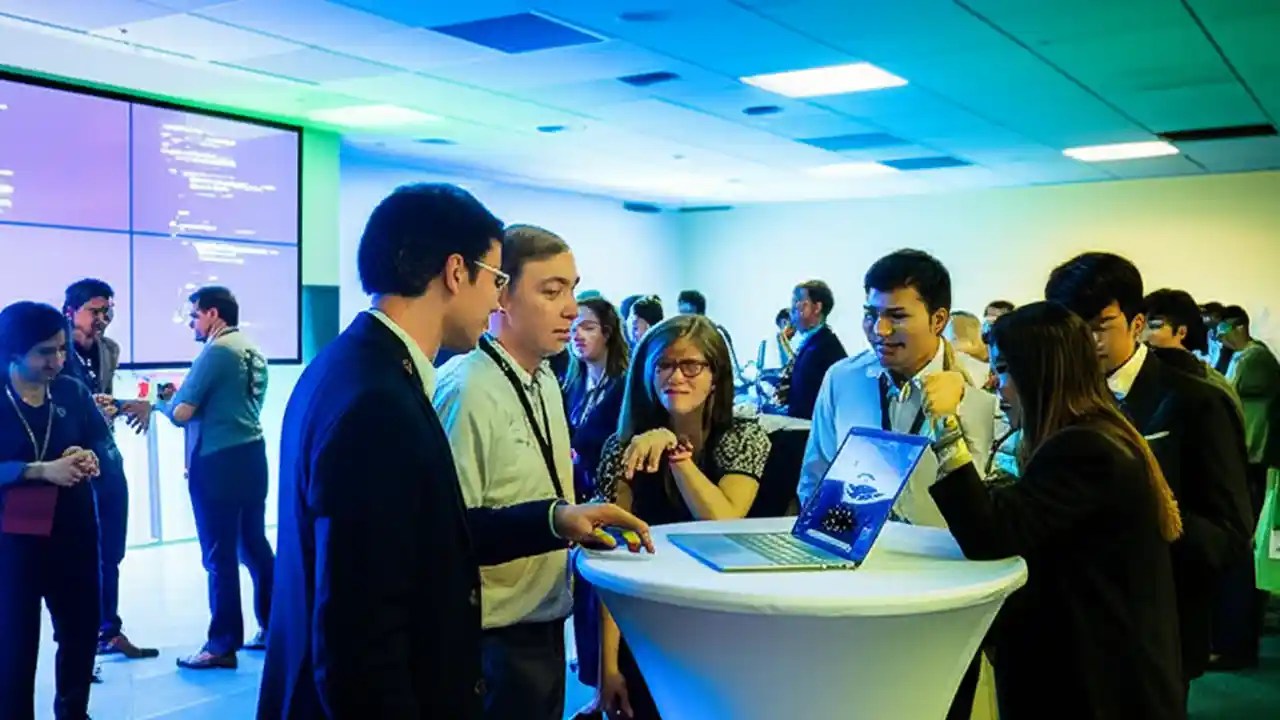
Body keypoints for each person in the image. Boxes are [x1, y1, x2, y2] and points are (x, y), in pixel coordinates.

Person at [257, 183, 653, 719]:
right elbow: (359, 631)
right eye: (494, 280)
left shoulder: (350, 368)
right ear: (455, 272)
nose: (495, 300)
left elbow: (432, 535)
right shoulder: (378, 401)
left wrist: (554, 520)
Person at [925, 301, 1186, 720]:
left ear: (1041, 372)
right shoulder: (1094, 432)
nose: (995, 384)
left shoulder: (1084, 447)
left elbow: (991, 535)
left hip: (1092, 681)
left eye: (1006, 369)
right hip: (1094, 668)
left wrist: (946, 427)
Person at [1045, 252, 1252, 687]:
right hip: (1071, 620)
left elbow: (1228, 534)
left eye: (1099, 327)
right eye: (1072, 330)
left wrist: (1144, 510)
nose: (1085, 344)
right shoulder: (1059, 400)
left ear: (1137, 324)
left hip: (1156, 623)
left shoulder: (1194, 402)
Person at [433, 224, 581, 720]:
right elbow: (450, 530)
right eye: (551, 291)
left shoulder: (545, 381)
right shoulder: (468, 386)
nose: (571, 309)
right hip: (494, 638)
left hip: (544, 618)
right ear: (502, 296)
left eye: (573, 289)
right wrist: (557, 519)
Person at [594, 314, 771, 720]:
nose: (677, 376)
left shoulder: (743, 436)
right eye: (664, 365)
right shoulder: (623, 448)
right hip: (647, 625)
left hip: (725, 625)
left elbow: (723, 524)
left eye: (691, 365)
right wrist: (608, 666)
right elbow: (612, 558)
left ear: (716, 375)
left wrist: (676, 454)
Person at [0, 301, 113, 720]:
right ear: (14, 351)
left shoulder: (71, 390)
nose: (58, 360)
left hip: (74, 530)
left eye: (62, 349)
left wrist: (89, 456)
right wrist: (38, 470)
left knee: (81, 631)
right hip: (14, 539)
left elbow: (99, 440)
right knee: (15, 641)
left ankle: (73, 711)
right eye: (45, 352)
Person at [155, 286, 275, 670]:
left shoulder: (217, 351)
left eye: (194, 315)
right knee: (254, 546)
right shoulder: (252, 349)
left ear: (212, 315)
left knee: (219, 556)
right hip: (252, 457)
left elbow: (182, 412)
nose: (192, 322)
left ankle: (221, 644)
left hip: (218, 463)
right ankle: (273, 627)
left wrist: (160, 403)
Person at [60, 279, 159, 664]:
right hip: (67, 457)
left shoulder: (108, 350)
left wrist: (122, 404)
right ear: (72, 312)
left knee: (110, 547)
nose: (103, 319)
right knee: (75, 549)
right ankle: (78, 641)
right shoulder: (56, 350)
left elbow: (99, 398)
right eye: (95, 311)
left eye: (107, 311)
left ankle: (107, 631)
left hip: (104, 452)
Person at [562, 296, 629, 711]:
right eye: (574, 327)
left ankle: (603, 689)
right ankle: (593, 686)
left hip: (606, 505)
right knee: (585, 607)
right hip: (575, 505)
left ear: (607, 332)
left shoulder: (621, 388)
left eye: (587, 327)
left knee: (600, 603)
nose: (577, 335)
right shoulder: (571, 384)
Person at [1214, 304, 1280, 669]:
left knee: (1249, 552)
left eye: (1220, 327)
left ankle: (1240, 642)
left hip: (1257, 463)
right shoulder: (1244, 357)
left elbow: (1227, 392)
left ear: (1238, 325)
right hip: (1250, 461)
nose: (1218, 335)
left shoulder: (1256, 359)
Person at [776, 280, 847, 420]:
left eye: (798, 302)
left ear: (817, 308)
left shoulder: (825, 347)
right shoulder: (813, 343)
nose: (792, 309)